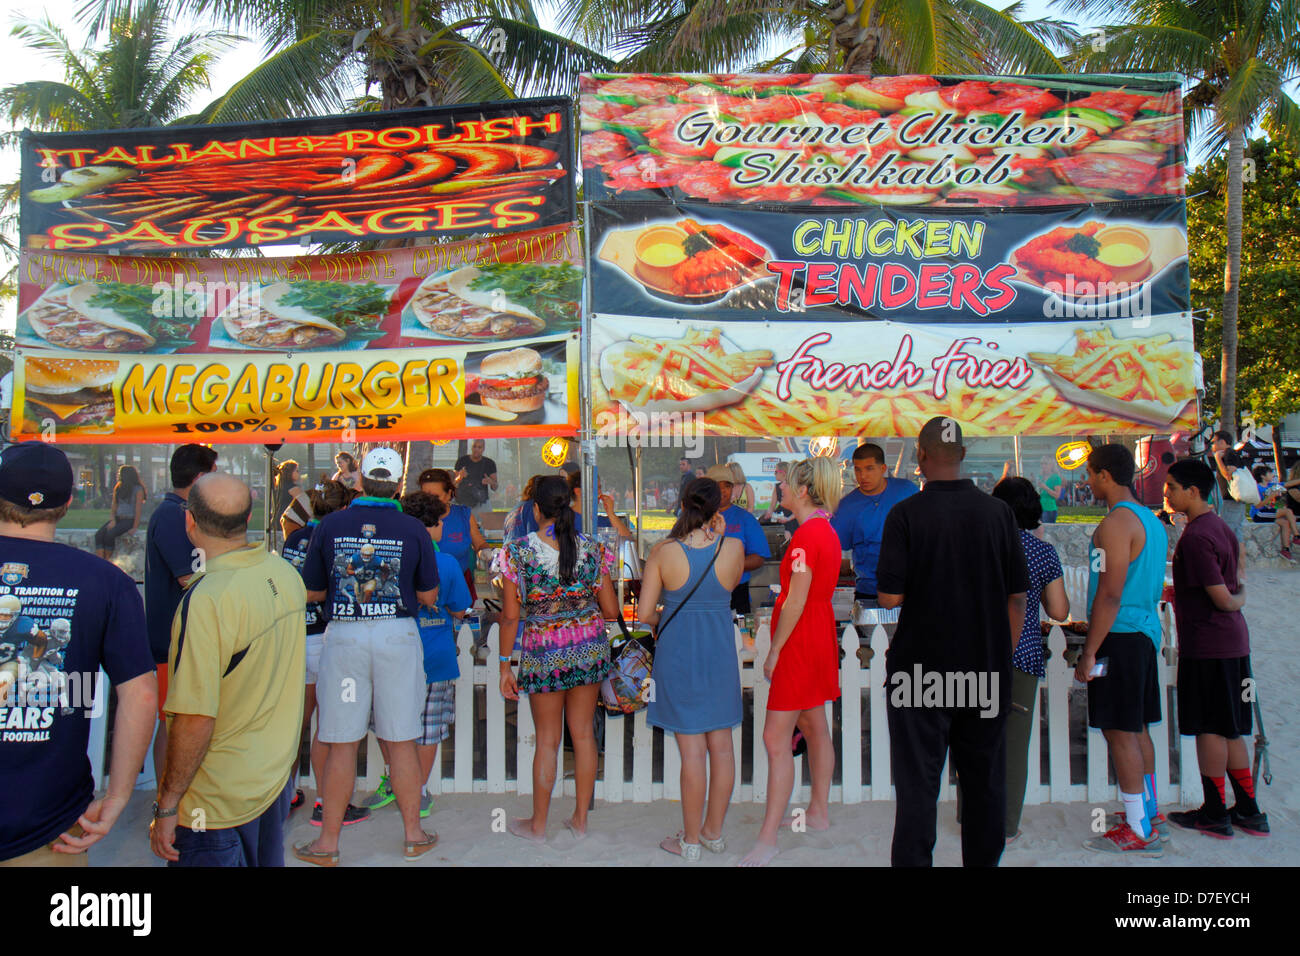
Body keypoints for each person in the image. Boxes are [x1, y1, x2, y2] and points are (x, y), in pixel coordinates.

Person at [875, 417, 1029, 867]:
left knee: (918, 788)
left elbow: (889, 596)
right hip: (983, 670)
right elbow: (1017, 598)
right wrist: (1000, 657)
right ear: (962, 455)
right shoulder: (998, 514)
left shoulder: (904, 514)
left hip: (917, 673)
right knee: (983, 784)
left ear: (921, 457)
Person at [0, 443, 157, 867]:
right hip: (49, 824)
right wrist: (119, 792)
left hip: (50, 822)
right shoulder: (106, 582)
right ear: (67, 503)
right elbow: (141, 695)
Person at [149, 473, 306, 867]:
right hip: (271, 780)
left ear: (190, 521)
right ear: (248, 516)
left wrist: (167, 805)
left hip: (216, 800)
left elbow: (194, 718)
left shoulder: (207, 600)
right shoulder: (285, 574)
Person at [296, 447, 441, 865]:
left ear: (359, 481)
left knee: (341, 742)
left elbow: (313, 589)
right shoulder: (413, 528)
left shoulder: (331, 524)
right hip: (396, 637)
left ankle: (327, 844)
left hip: (344, 638)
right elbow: (430, 594)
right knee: (401, 741)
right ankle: (413, 835)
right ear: (398, 484)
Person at [496, 475, 619, 842]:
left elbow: (511, 616)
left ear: (535, 509)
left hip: (543, 651)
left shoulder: (517, 552)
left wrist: (505, 664)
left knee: (548, 740)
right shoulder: (592, 549)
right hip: (589, 648)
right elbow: (611, 610)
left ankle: (538, 825)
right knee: (583, 735)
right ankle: (580, 820)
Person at [739, 458, 842, 867]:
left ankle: (768, 838)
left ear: (801, 490)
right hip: (818, 635)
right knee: (815, 727)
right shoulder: (825, 530)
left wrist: (776, 650)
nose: (778, 489)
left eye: (783, 483)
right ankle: (816, 812)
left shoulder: (806, 536)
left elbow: (796, 599)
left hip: (800, 641)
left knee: (774, 738)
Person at [1162, 459, 1269, 838]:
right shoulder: (1220, 527)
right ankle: (1249, 810)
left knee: (1209, 727)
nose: (1167, 494)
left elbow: (1224, 597)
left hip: (1208, 644)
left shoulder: (1196, 537)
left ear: (1193, 491)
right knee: (1233, 729)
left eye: (1172, 487)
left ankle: (1213, 811)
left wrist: (1237, 600)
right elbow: (1234, 581)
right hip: (1233, 643)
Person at [640, 477, 744, 861]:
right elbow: (727, 589)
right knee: (723, 749)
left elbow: (647, 613)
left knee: (692, 754)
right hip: (719, 654)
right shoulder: (733, 547)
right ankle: (713, 833)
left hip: (680, 654)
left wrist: (668, 610)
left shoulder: (664, 551)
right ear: (719, 507)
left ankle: (690, 841)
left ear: (682, 504)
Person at [1075, 443, 1168, 856]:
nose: (1086, 481)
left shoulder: (1115, 524)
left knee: (1119, 730)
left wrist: (1090, 650)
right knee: (1138, 727)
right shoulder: (1152, 520)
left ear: (1106, 476)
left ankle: (1137, 829)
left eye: (1090, 474)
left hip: (1121, 634)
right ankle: (1147, 812)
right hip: (1145, 632)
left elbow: (1109, 595)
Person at [361, 492, 472, 819]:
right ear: (432, 525)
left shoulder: (382, 557)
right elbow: (460, 609)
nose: (442, 527)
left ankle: (396, 780)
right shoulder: (447, 563)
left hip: (387, 653)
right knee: (428, 728)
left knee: (385, 721)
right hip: (435, 656)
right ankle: (418, 789)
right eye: (439, 522)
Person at [989, 477, 1068, 842]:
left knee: (975, 740)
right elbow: (1060, 610)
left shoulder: (980, 547)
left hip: (978, 653)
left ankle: (969, 814)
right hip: (1023, 654)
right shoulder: (1042, 553)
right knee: (1014, 745)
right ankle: (1004, 825)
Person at [144, 444, 217, 791]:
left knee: (183, 721)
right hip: (171, 641)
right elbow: (190, 577)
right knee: (173, 724)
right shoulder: (173, 515)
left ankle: (175, 801)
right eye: (214, 475)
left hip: (184, 638)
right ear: (200, 478)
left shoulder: (180, 512)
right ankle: (166, 801)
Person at [281, 479, 353, 813]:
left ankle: (286, 794)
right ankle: (326, 800)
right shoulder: (333, 539)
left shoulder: (294, 537)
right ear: (341, 509)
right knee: (328, 723)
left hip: (294, 635)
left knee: (295, 722)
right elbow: (329, 586)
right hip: (322, 637)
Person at [831, 443, 918, 611]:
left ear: (883, 468)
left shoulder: (907, 490)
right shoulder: (846, 507)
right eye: (858, 469)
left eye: (869, 468)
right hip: (870, 591)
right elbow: (835, 551)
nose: (863, 475)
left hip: (912, 587)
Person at [704, 464, 770, 616]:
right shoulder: (697, 517)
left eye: (726, 486)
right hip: (704, 590)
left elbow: (758, 558)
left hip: (737, 591)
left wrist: (730, 565)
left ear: (733, 488)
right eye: (717, 486)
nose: (722, 491)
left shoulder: (745, 519)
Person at [419, 468, 489, 599]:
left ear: (448, 494)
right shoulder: (415, 517)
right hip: (425, 587)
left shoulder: (463, 515)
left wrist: (486, 553)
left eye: (435, 497)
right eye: (425, 496)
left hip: (458, 586)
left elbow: (479, 544)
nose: (429, 502)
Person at [93, 465, 145, 559]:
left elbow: (138, 509)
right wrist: (112, 520)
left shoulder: (138, 490)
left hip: (129, 520)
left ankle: (107, 560)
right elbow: (114, 506)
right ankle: (100, 559)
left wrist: (135, 527)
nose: (119, 476)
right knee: (99, 535)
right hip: (118, 518)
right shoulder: (118, 488)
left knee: (110, 535)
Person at [568, 470, 634, 540]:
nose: (599, 492)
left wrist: (611, 513)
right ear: (578, 491)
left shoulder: (601, 521)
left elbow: (628, 541)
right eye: (595, 488)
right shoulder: (565, 519)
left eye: (599, 488)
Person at [1250, 464, 1296, 561]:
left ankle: (1286, 550)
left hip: (1267, 512)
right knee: (1287, 511)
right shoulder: (1257, 488)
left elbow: (1288, 484)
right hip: (1259, 513)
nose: (1273, 475)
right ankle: (1297, 536)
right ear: (1262, 476)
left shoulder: (1271, 486)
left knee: (1285, 523)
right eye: (1270, 473)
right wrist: (1271, 497)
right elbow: (1257, 506)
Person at [454, 439, 498, 513]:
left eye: (479, 447)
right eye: (474, 446)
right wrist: (460, 477)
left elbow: (495, 487)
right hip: (463, 502)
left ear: (483, 449)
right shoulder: (462, 461)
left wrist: (491, 482)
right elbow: (454, 484)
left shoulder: (489, 463)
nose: (476, 449)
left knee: (486, 522)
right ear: (471, 447)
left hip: (481, 502)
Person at [274, 459, 313, 539]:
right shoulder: (293, 489)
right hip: (290, 520)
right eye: (297, 471)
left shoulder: (279, 487)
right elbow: (305, 505)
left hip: (277, 518)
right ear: (290, 473)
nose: (299, 473)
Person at [504, 475, 543, 543]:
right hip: (521, 551)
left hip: (507, 551)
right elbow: (533, 538)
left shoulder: (515, 508)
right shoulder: (532, 508)